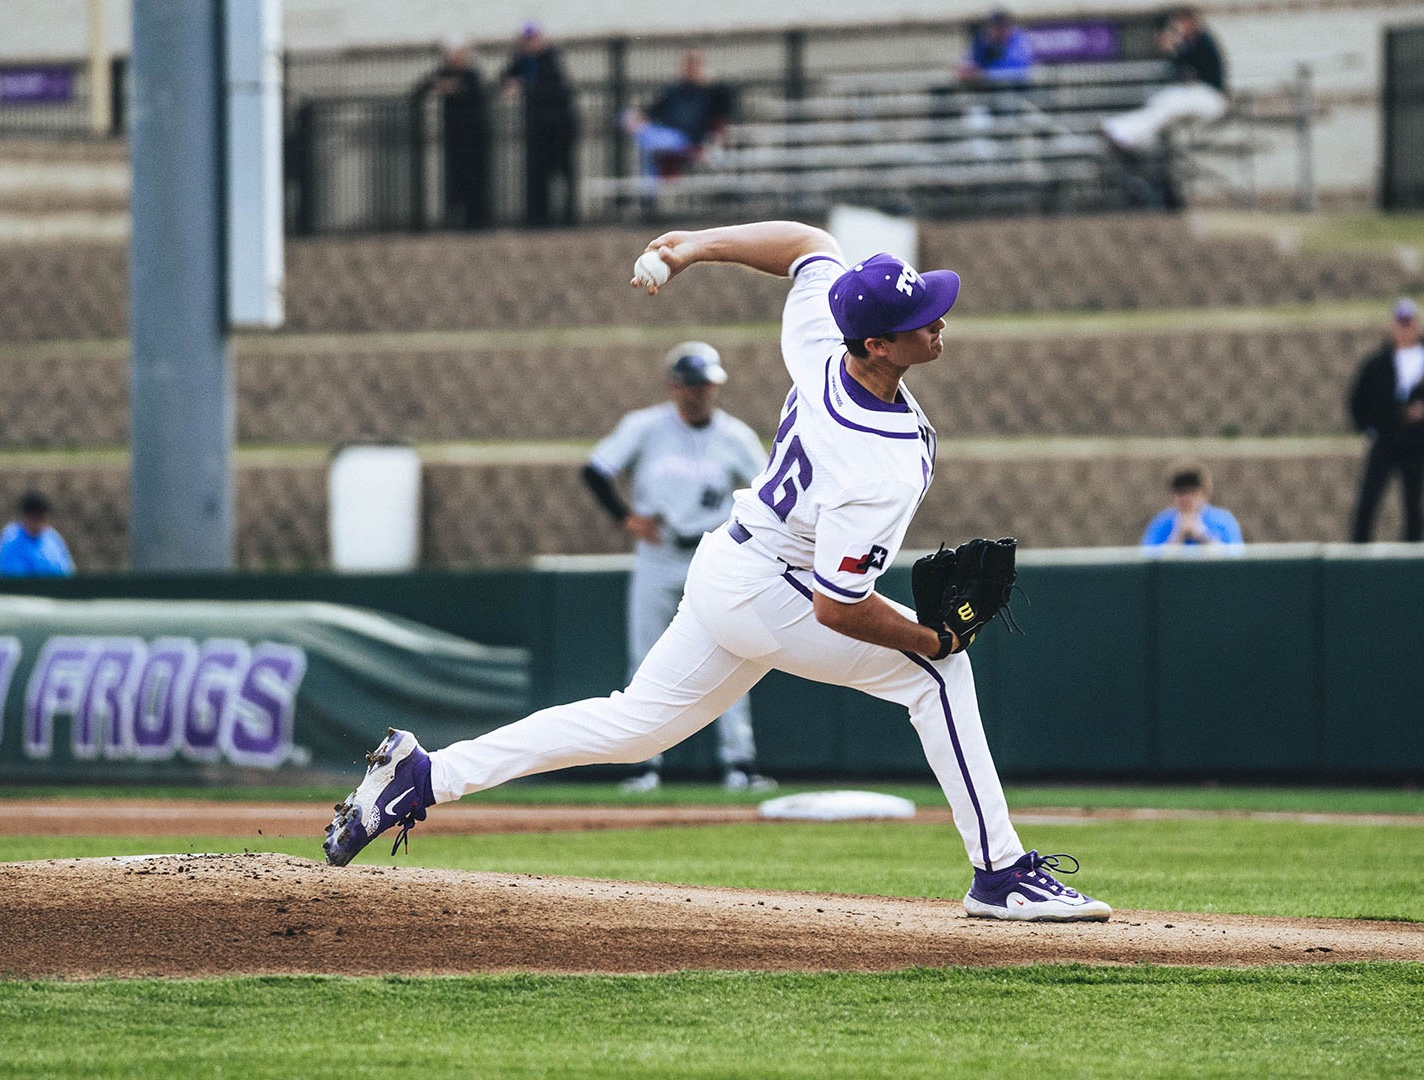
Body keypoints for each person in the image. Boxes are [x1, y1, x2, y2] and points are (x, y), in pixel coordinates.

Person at [323, 220, 1111, 923]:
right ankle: (1002, 874)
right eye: (917, 319)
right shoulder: (878, 463)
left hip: (731, 565)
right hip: (776, 586)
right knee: (935, 679)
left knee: (637, 727)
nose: (937, 320)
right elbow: (840, 609)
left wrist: (697, 246)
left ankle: (424, 776)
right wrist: (929, 638)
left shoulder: (820, 347)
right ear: (876, 343)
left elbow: (808, 245)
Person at [581, 341, 773, 793]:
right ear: (674, 385)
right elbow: (595, 469)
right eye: (691, 384)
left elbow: (769, 488)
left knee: (733, 651)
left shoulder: (734, 435)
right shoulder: (646, 427)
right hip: (660, 553)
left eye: (706, 384)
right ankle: (643, 763)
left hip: (712, 555)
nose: (699, 393)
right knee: (645, 656)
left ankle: (740, 763)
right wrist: (625, 517)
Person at [1348, 298, 1424, 542]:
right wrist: (1371, 427)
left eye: (1409, 323)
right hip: (1386, 441)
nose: (1404, 329)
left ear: (1417, 326)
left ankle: (1414, 556)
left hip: (1418, 444)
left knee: (1414, 504)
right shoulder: (1379, 363)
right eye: (1400, 323)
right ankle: (1357, 552)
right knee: (1368, 500)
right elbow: (1359, 399)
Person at [1098, 6, 1229, 152]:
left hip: (1211, 98)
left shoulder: (1202, 40)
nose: (1177, 28)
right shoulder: (1192, 42)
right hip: (1203, 96)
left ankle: (1127, 131)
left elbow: (1189, 72)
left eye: (1179, 23)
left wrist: (1173, 48)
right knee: (1163, 106)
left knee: (1169, 103)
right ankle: (1131, 133)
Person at [500, 23, 578, 227]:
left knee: (564, 173)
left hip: (559, 128)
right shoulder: (521, 60)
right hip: (536, 129)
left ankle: (568, 217)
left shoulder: (550, 58)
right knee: (537, 174)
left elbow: (551, 85)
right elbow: (505, 78)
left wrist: (522, 84)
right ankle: (539, 217)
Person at [624, 50, 735, 188]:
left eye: (694, 64)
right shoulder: (674, 90)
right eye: (688, 64)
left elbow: (724, 111)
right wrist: (636, 119)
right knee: (628, 120)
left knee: (651, 143)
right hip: (667, 136)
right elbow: (653, 111)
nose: (690, 68)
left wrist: (709, 82)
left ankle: (651, 187)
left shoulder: (713, 91)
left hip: (690, 140)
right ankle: (650, 191)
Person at [413, 38, 491, 230]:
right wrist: (436, 85)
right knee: (455, 181)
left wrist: (454, 88)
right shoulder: (442, 74)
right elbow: (418, 91)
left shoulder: (472, 74)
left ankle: (478, 219)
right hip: (454, 137)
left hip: (475, 138)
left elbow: (478, 92)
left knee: (476, 180)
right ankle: (457, 217)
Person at [1140, 460, 1243, 548]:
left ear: (1204, 493)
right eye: (1181, 492)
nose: (1186, 499)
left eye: (1192, 492)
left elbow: (1236, 557)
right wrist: (1177, 537)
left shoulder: (1223, 520)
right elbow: (1146, 560)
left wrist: (1203, 536)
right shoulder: (1162, 522)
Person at [0, 490, 75, 578]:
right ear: (25, 516)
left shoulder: (52, 537)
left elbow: (67, 571)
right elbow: (13, 576)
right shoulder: (12, 538)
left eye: (42, 518)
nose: (38, 523)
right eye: (34, 518)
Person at [957, 8, 1035, 89]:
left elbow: (1020, 70)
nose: (1000, 30)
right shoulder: (982, 40)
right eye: (996, 26)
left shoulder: (1019, 38)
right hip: (987, 90)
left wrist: (983, 74)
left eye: (1003, 26)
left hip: (1017, 89)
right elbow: (967, 65)